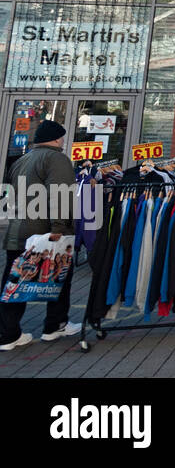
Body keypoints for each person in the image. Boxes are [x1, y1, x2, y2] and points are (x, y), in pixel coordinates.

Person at [0, 120, 80, 350]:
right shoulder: (56, 158)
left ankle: (8, 333)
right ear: (57, 139)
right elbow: (60, 194)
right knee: (60, 277)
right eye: (62, 138)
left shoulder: (21, 160)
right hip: (45, 234)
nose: (63, 142)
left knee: (14, 282)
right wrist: (59, 229)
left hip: (18, 231)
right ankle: (55, 325)